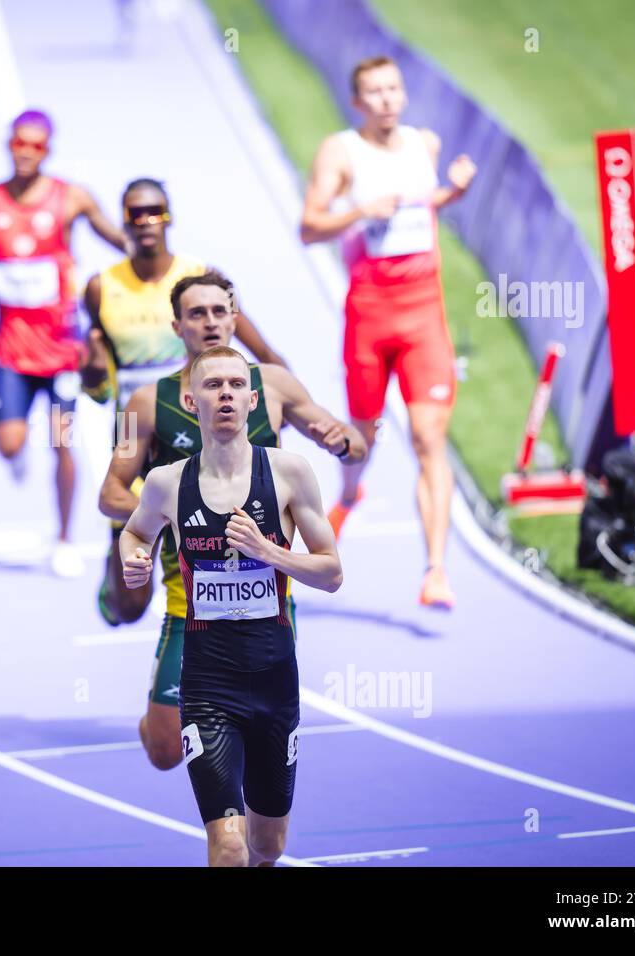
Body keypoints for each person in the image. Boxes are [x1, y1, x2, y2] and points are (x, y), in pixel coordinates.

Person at [98, 271, 365, 770]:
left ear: (235, 319)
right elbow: (110, 491)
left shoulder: (273, 386)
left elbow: (355, 445)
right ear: (177, 326)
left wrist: (343, 442)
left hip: (267, 597)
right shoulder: (146, 403)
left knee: (252, 743)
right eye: (197, 314)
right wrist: (157, 512)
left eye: (221, 312)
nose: (211, 323)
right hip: (190, 598)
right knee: (163, 752)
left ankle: (246, 835)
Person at [120, 345, 343, 866]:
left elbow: (331, 572)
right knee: (227, 844)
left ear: (252, 400)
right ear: (192, 401)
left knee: (268, 844)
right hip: (208, 687)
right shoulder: (166, 482)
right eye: (213, 385)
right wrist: (136, 560)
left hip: (273, 682)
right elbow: (135, 533)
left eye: (236, 386)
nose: (226, 394)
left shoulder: (289, 473)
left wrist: (268, 551)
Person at [300, 55, 476, 608]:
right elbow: (308, 226)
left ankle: (436, 570)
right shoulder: (341, 151)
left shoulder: (424, 146)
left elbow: (420, 212)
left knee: (429, 439)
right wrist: (358, 211)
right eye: (373, 92)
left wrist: (454, 193)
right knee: (363, 435)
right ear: (358, 102)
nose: (385, 99)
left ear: (403, 94)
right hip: (370, 311)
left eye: (393, 88)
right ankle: (350, 495)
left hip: (424, 310)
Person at [81, 179, 288, 625]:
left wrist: (283, 405)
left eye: (155, 210)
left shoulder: (198, 277)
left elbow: (265, 353)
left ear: (169, 215)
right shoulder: (101, 288)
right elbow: (95, 389)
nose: (146, 221)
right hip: (138, 440)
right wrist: (94, 370)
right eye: (136, 214)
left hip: (196, 439)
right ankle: (112, 571)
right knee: (130, 607)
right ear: (124, 221)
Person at [0, 109, 128, 578]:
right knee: (10, 444)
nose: (26, 151)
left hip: (60, 353)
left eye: (36, 145)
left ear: (48, 150)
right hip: (13, 351)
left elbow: (111, 234)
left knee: (61, 443)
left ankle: (63, 538)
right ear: (8, 143)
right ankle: (17, 462)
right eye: (19, 142)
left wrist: (142, 245)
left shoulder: (69, 198)